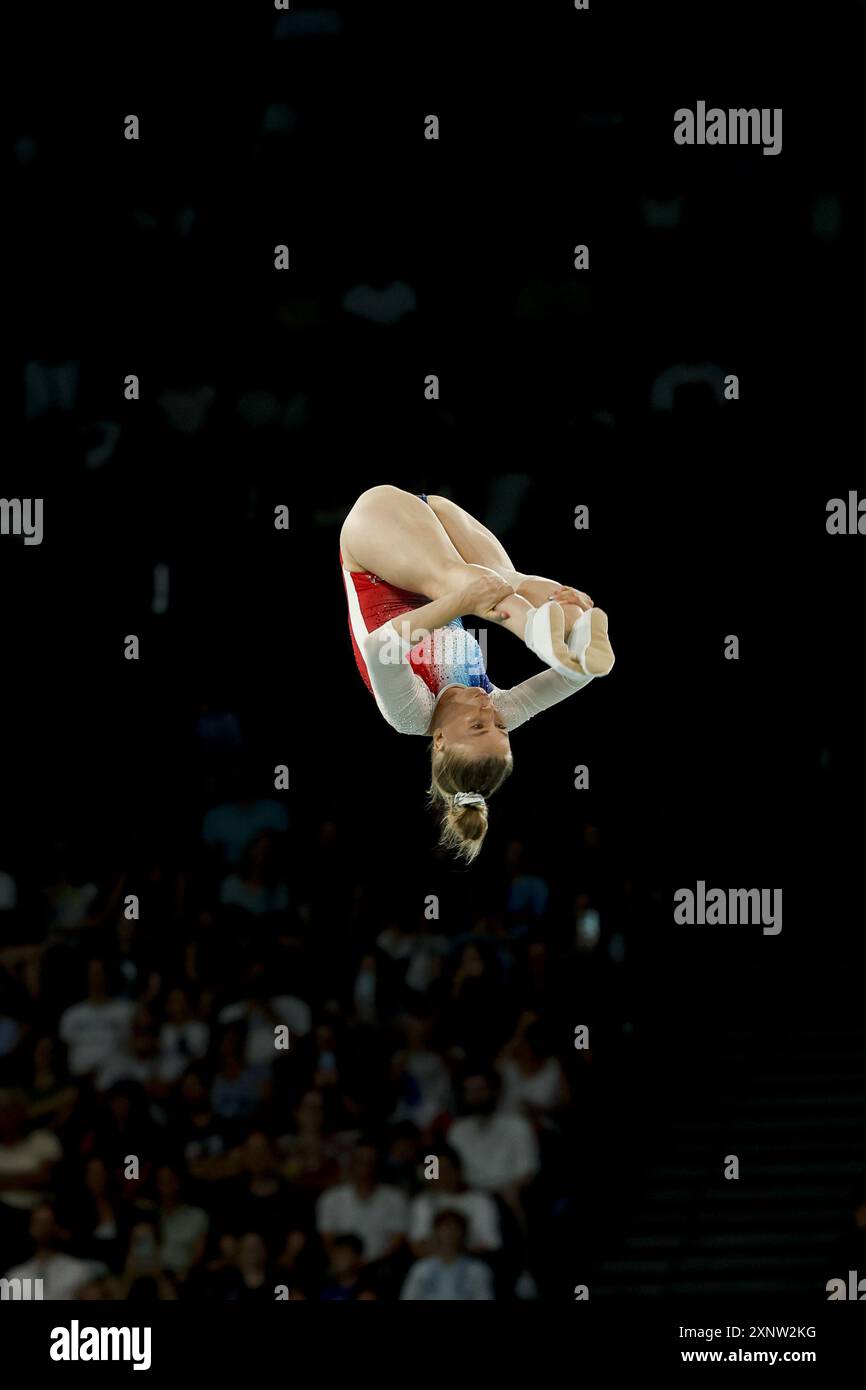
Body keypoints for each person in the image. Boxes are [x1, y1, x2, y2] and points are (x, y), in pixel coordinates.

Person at [340, 485, 614, 862]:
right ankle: (570, 622)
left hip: (373, 542)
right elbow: (573, 678)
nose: (491, 714)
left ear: (439, 740)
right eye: (501, 729)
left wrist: (463, 602)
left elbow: (380, 649)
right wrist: (579, 648)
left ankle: (536, 631)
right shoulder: (498, 709)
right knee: (509, 581)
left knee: (461, 583)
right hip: (431, 525)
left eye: (477, 727)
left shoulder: (410, 714)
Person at [400, 1210, 495, 1300]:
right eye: (446, 1227)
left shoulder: (477, 1269)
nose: (450, 1233)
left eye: (455, 1228)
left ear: (463, 1232)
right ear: (437, 1232)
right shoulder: (422, 1268)